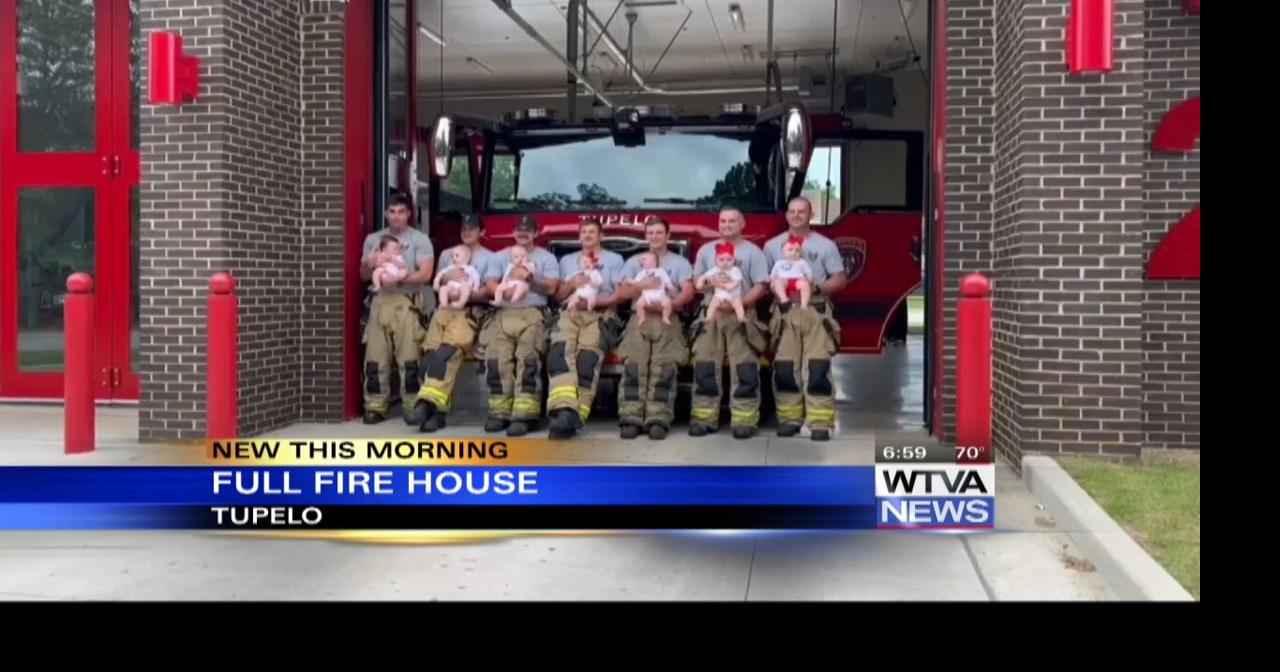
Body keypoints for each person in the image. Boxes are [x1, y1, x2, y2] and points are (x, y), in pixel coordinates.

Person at [762, 196, 848, 441]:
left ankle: (820, 423)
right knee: (786, 367)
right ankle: (789, 420)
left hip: (815, 311)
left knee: (817, 367)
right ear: (786, 215)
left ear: (810, 215)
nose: (796, 215)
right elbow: (764, 280)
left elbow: (840, 279)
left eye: (802, 211)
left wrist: (817, 289)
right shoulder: (771, 246)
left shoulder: (825, 245)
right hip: (785, 312)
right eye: (792, 211)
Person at [688, 206, 770, 439]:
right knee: (705, 366)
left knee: (744, 368)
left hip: (741, 315)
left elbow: (760, 285)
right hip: (711, 315)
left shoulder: (754, 252)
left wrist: (740, 303)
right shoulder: (706, 250)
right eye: (723, 221)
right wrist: (708, 280)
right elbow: (697, 282)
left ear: (743, 223)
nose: (726, 225)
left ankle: (744, 419)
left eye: (732, 221)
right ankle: (704, 418)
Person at [410, 215, 496, 431]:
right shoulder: (447, 255)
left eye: (472, 229)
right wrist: (449, 282)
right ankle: (437, 413)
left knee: (447, 353)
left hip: (469, 313)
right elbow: (438, 283)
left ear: (482, 232)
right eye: (464, 229)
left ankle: (426, 404)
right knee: (429, 353)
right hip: (443, 311)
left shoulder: (490, 258)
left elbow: (489, 292)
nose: (467, 232)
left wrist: (464, 292)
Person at [615, 217, 695, 440]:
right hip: (638, 319)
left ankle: (658, 418)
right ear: (645, 235)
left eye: (659, 232)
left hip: (667, 320)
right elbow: (622, 293)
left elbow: (687, 291)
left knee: (665, 367)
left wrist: (669, 305)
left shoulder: (679, 263)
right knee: (634, 366)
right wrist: (643, 286)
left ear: (668, 235)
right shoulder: (634, 262)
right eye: (650, 233)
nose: (655, 237)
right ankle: (630, 417)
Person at [359, 192, 434, 424]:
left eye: (401, 212)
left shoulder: (420, 239)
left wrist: (399, 278)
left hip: (407, 302)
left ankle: (411, 406)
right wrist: (376, 268)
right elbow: (362, 274)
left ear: (409, 214)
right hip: (380, 302)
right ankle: (374, 405)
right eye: (392, 212)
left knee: (409, 359)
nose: (396, 217)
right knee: (375, 357)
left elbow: (426, 273)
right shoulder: (373, 239)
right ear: (385, 213)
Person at [546, 218, 625, 439]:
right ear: (579, 235)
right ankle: (563, 410)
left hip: (599, 314)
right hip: (569, 313)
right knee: (559, 354)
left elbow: (618, 297)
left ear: (601, 236)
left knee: (587, 359)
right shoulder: (568, 260)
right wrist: (572, 284)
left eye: (592, 232)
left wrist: (594, 302)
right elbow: (560, 295)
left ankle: (576, 416)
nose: (587, 235)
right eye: (583, 232)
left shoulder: (614, 260)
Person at [482, 215, 561, 437]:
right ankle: (499, 411)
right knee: (497, 361)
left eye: (528, 230)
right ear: (514, 232)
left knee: (528, 361)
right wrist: (503, 290)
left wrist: (528, 280)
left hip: (532, 314)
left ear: (536, 233)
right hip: (503, 313)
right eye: (519, 229)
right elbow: (490, 284)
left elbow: (553, 288)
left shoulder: (546, 258)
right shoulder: (499, 256)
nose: (523, 233)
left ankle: (525, 414)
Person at [697, 242, 747, 323]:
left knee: (738, 304)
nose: (725, 263)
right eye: (721, 260)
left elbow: (734, 284)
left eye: (729, 260)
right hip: (719, 295)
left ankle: (741, 318)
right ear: (716, 260)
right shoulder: (715, 270)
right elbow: (704, 276)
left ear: (734, 260)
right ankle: (708, 318)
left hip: (733, 295)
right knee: (713, 304)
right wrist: (701, 280)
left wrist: (722, 285)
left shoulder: (735, 270)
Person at [769, 234, 814, 310]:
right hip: (784, 281)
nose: (794, 252)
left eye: (797, 250)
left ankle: (804, 305)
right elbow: (773, 275)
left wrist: (809, 279)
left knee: (805, 284)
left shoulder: (801, 262)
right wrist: (772, 280)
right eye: (790, 250)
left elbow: (809, 273)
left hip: (798, 281)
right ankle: (784, 299)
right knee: (778, 282)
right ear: (782, 252)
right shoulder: (779, 263)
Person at [631, 252, 676, 326]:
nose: (642, 261)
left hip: (660, 295)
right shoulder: (641, 273)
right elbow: (636, 282)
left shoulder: (661, 271)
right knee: (639, 304)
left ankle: (665, 316)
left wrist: (671, 288)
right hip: (646, 295)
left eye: (644, 259)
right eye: (642, 260)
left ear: (654, 262)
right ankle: (642, 317)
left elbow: (667, 280)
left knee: (668, 303)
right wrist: (632, 282)